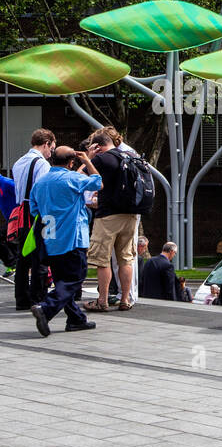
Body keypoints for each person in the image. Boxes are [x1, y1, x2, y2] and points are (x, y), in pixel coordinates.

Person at [28, 146, 102, 335]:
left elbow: (34, 210)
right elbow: (98, 183)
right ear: (71, 163)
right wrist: (87, 161)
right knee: (74, 279)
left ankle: (76, 319)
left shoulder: (40, 183)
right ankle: (46, 308)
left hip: (51, 240)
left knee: (62, 281)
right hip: (72, 238)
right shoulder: (73, 178)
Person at [85, 129, 142, 312]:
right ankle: (125, 300)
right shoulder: (130, 155)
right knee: (126, 259)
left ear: (98, 145)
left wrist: (88, 156)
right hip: (130, 215)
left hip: (108, 216)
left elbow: (82, 176)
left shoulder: (102, 159)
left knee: (102, 261)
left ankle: (102, 301)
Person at [11, 128, 55, 312]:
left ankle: (21, 298)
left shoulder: (18, 162)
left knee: (23, 257)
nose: (51, 152)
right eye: (51, 148)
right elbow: (43, 192)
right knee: (40, 256)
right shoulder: (42, 164)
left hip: (21, 210)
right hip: (37, 212)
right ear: (45, 144)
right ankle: (38, 298)